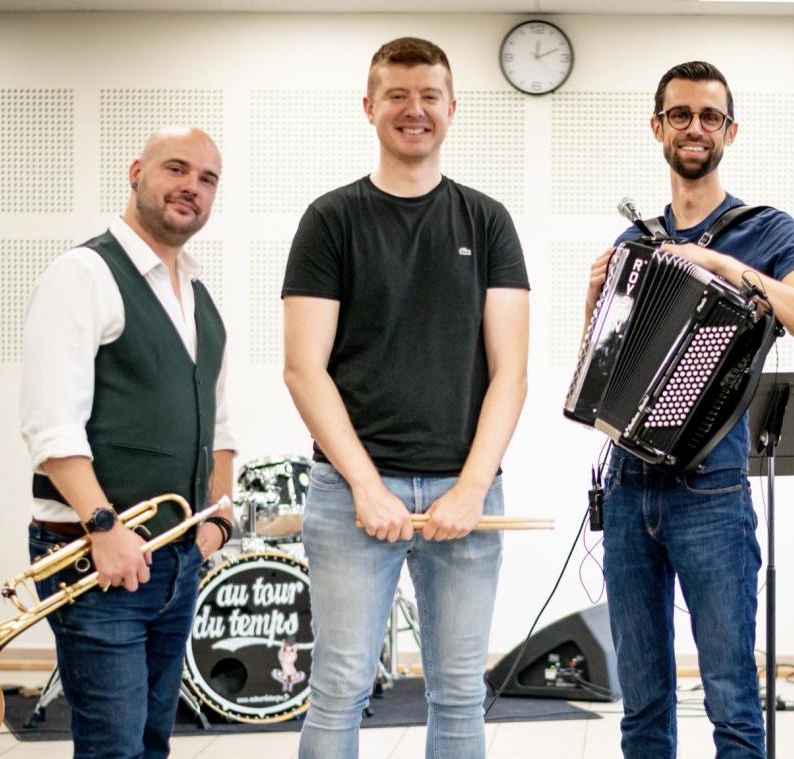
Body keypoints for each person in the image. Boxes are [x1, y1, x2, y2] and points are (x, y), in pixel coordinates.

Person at [281, 37, 529, 759]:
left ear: (453, 109)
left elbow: (510, 371)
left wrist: (473, 489)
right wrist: (363, 483)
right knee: (340, 685)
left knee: (457, 691)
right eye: (396, 95)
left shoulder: (486, 222)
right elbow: (304, 368)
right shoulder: (330, 220)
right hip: (349, 491)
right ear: (369, 107)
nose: (413, 110)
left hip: (463, 488)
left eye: (429, 96)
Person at [584, 61, 794, 759]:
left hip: (713, 490)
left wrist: (730, 269)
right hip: (630, 486)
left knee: (730, 695)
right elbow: (601, 380)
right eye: (680, 114)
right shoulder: (636, 242)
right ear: (657, 126)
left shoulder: (766, 230)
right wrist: (593, 301)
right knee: (642, 698)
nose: (695, 128)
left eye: (709, 116)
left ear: (730, 130)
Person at [20, 126, 236, 759]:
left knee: (150, 742)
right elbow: (50, 425)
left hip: (176, 561)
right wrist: (103, 526)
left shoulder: (197, 295)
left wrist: (219, 516)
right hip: (98, 556)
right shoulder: (83, 273)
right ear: (136, 171)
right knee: (113, 749)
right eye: (177, 169)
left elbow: (219, 427)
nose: (191, 187)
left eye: (207, 179)